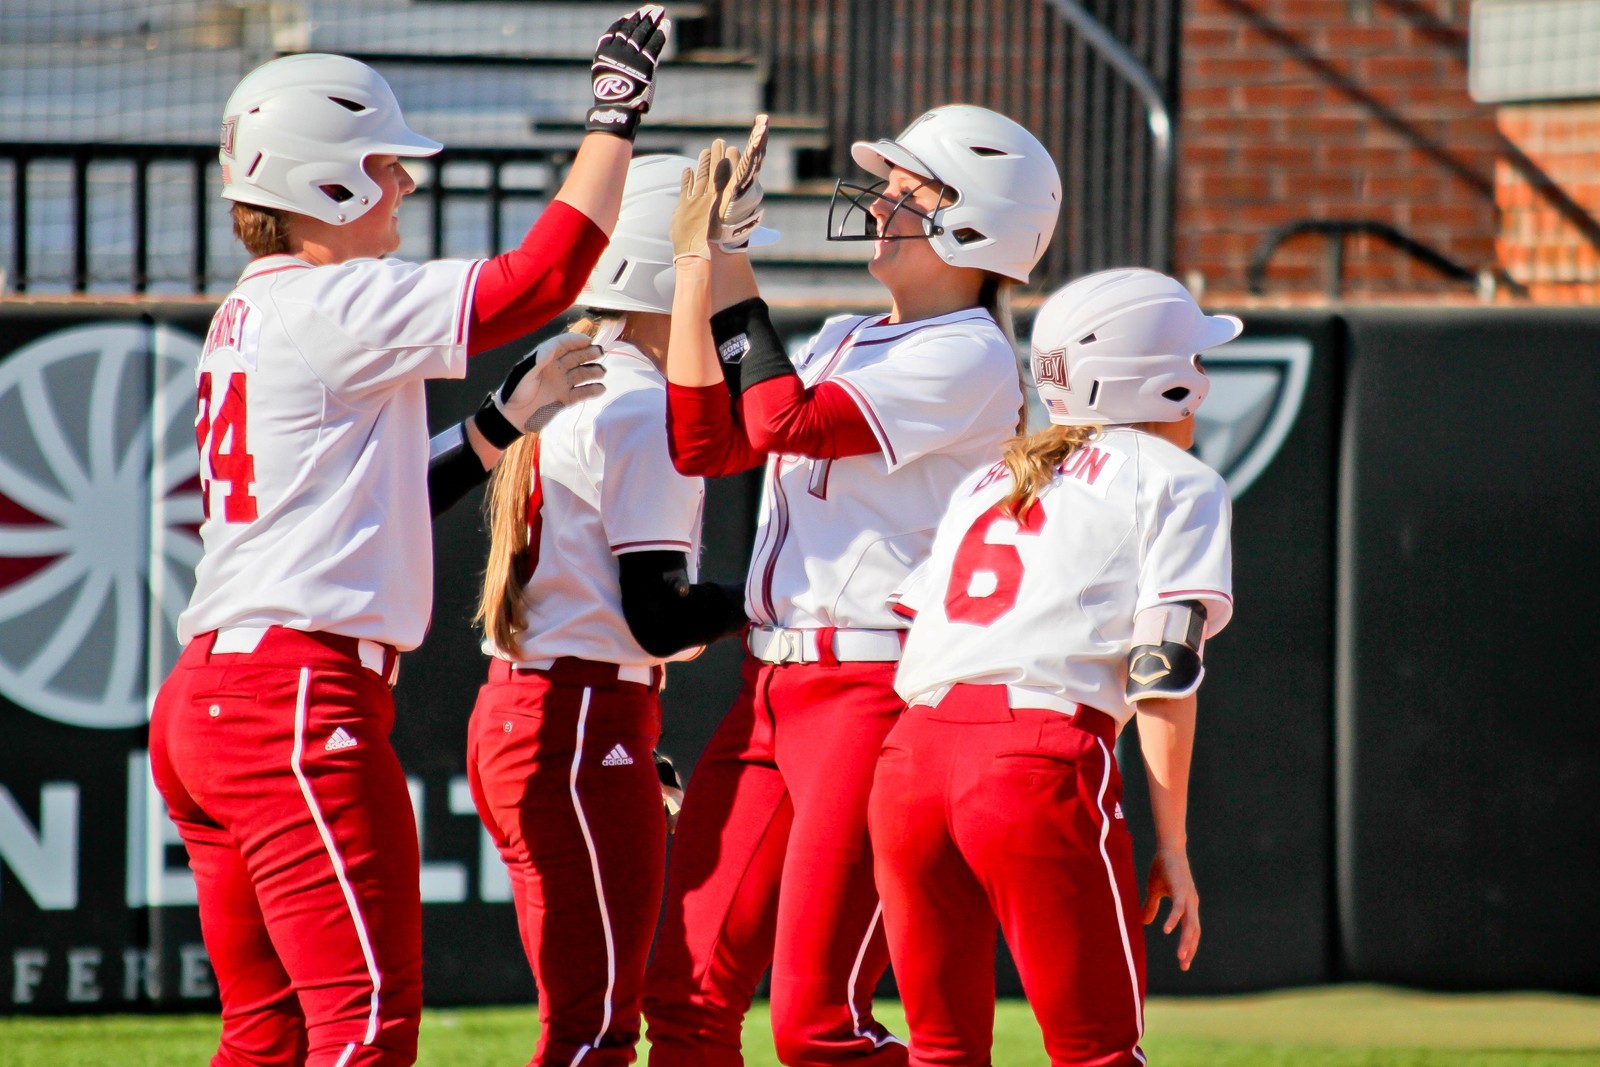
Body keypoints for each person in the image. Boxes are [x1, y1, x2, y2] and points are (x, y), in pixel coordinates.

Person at [147, 11, 670, 1065]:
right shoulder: (329, 296)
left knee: (269, 1035)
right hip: (295, 698)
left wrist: (498, 420)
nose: (405, 187)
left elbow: (369, 488)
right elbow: (542, 278)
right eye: (386, 166)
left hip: (213, 697)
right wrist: (615, 113)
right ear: (326, 181)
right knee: (363, 1028)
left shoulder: (250, 309)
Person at [642, 106, 1062, 1066]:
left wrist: (735, 258)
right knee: (685, 995)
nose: (881, 206)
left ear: (976, 224)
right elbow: (708, 442)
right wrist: (703, 265)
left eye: (911, 193)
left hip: (875, 691)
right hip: (770, 687)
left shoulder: (971, 350)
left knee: (815, 1024)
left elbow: (790, 421)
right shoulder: (841, 330)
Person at [867, 267, 1240, 1067]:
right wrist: (1172, 844)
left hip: (910, 760)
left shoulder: (989, 477)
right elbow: (1162, 668)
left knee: (941, 1052)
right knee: (1096, 1052)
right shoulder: (1179, 481)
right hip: (1031, 760)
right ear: (1160, 378)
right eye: (1194, 362)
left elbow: (917, 629)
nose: (1203, 382)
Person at [464, 154, 750, 1067]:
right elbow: (659, 617)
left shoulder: (584, 381)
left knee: (585, 1023)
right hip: (581, 716)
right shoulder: (638, 407)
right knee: (592, 1035)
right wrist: (780, 595)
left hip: (545, 708)